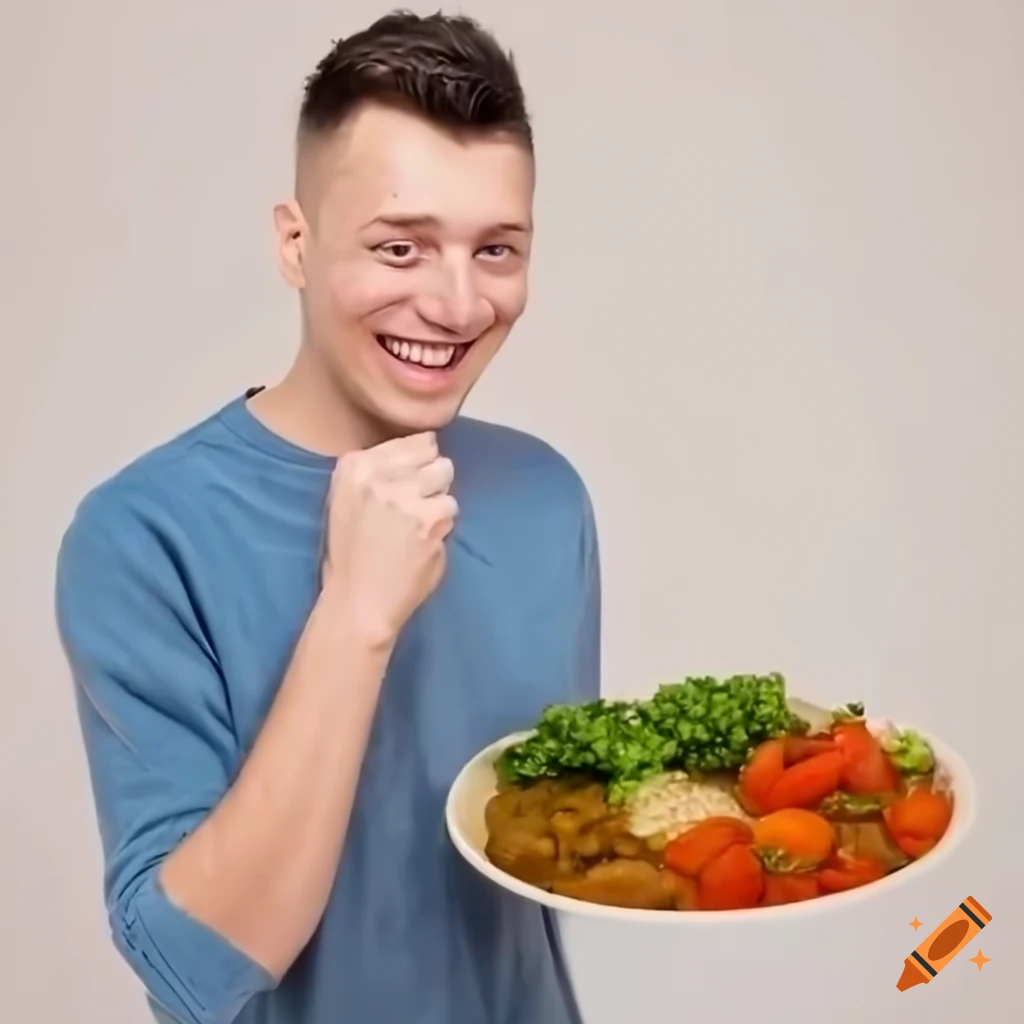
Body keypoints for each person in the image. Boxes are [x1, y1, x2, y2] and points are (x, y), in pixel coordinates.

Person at [54, 10, 600, 1024]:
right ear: (295, 245)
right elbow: (198, 969)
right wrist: (355, 614)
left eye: (497, 249)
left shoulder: (546, 498)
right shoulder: (139, 537)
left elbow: (550, 859)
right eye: (400, 246)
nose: (455, 303)